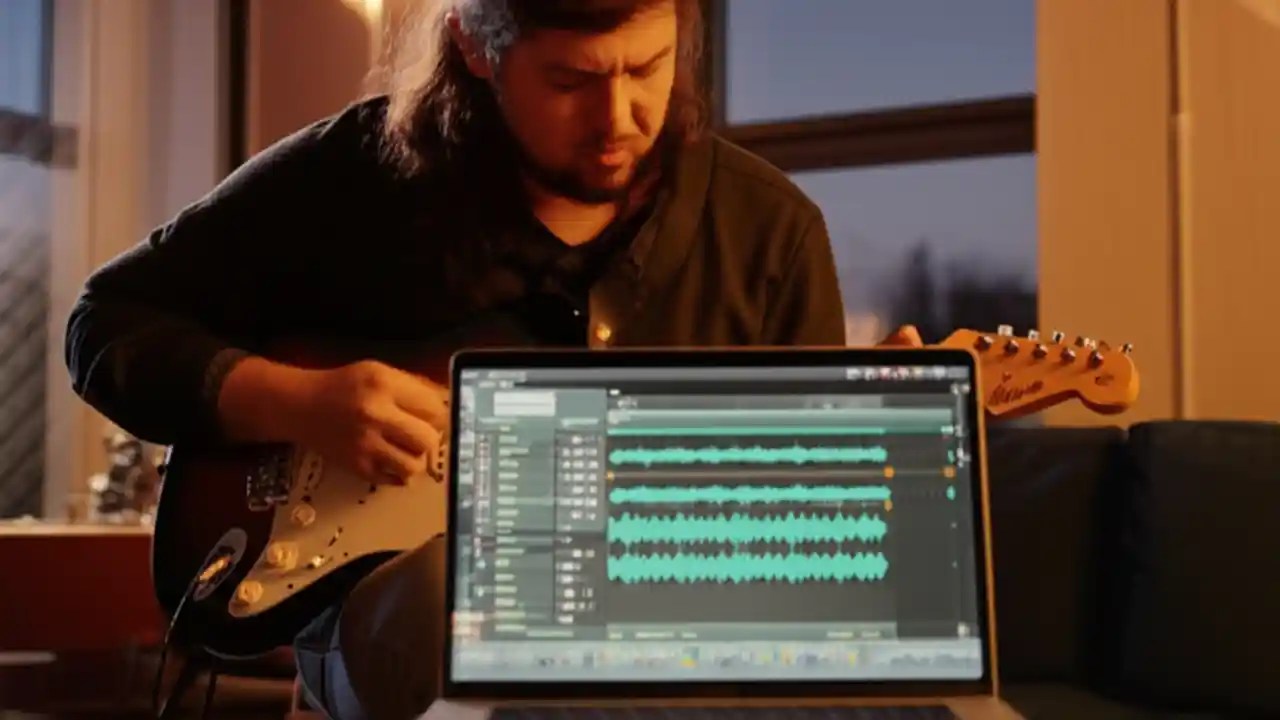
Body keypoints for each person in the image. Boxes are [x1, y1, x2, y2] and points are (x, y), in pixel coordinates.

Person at [64, 0, 921, 717]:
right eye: (571, 80)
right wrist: (292, 402)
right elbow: (105, 319)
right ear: (477, 47)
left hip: (659, 646)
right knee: (465, 612)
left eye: (649, 68)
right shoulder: (353, 180)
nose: (620, 117)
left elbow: (801, 573)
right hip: (397, 615)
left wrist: (862, 458)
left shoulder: (770, 233)